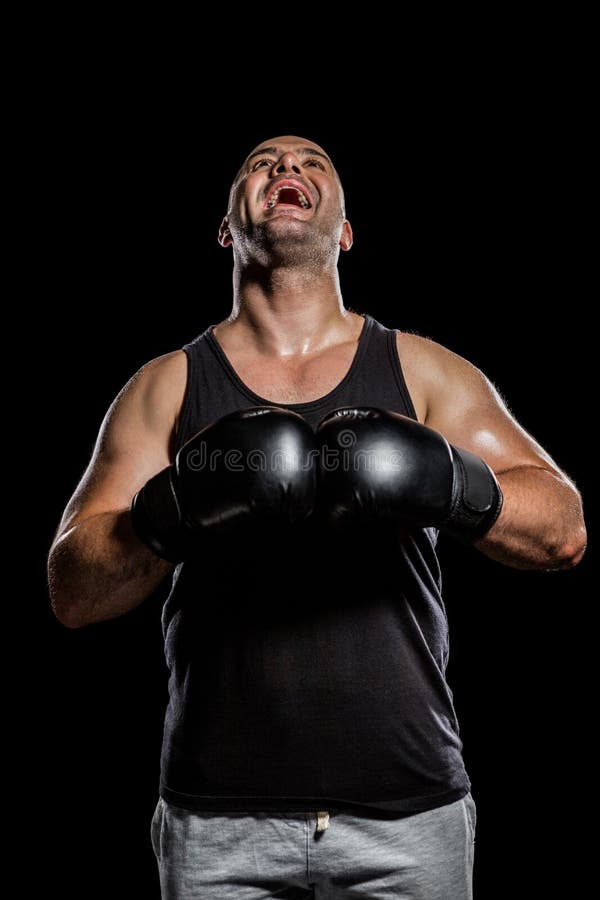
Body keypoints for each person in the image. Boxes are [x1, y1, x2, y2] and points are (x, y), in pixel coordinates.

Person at [48, 135, 587, 900]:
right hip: (218, 825)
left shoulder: (421, 369)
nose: (286, 170)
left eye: (312, 162)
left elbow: (563, 527)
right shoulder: (164, 387)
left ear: (345, 231)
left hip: (408, 814)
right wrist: (172, 510)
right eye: (262, 163)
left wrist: (445, 479)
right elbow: (73, 588)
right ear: (226, 228)